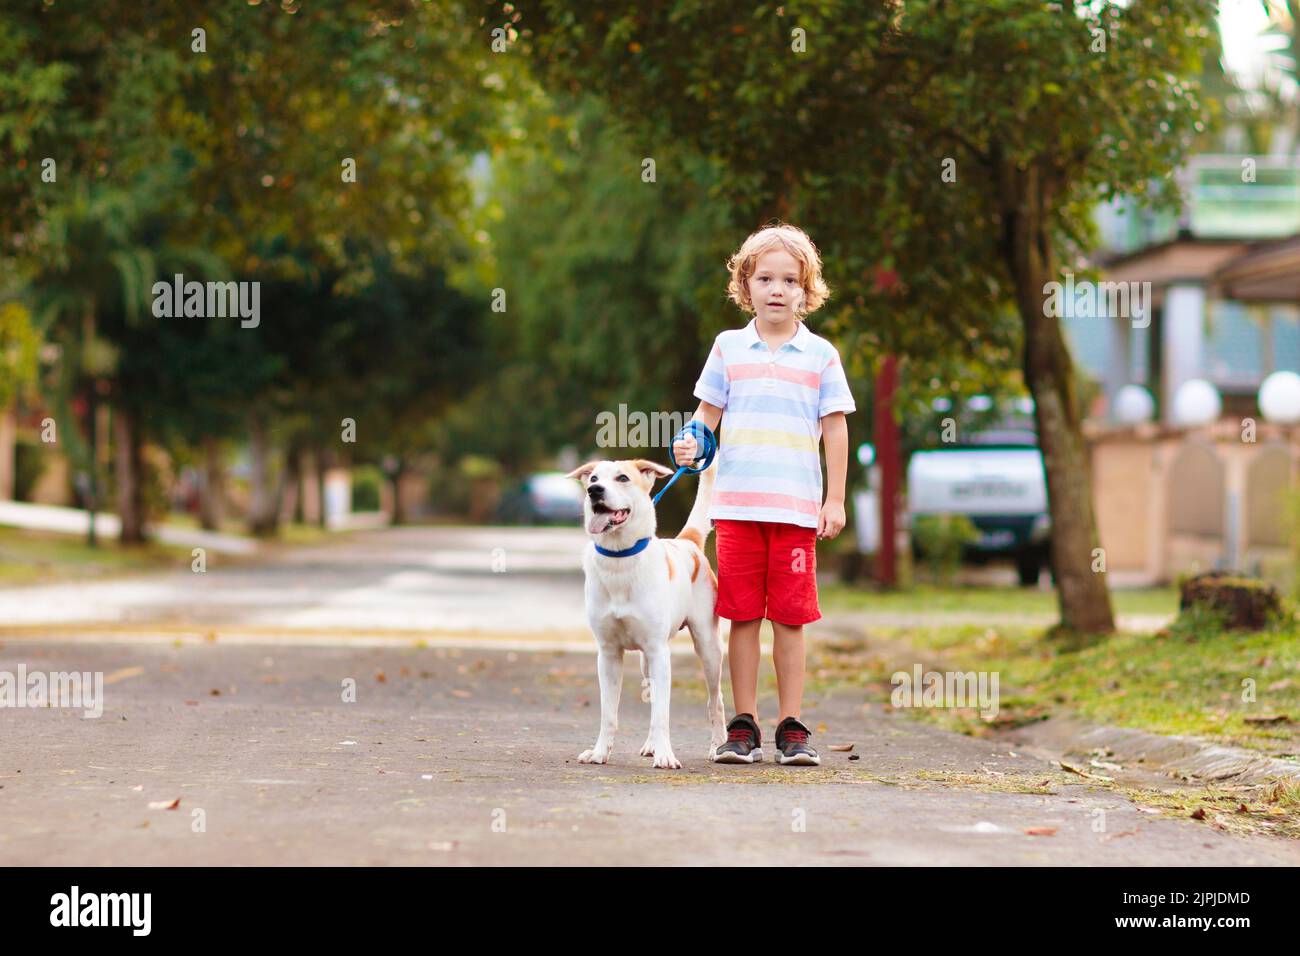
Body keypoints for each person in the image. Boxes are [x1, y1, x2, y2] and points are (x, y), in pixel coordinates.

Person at [675, 222, 855, 766]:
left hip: (796, 511)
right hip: (736, 508)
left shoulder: (820, 355)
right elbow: (706, 417)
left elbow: (835, 428)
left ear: (807, 290)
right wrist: (690, 443)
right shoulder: (729, 347)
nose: (777, 289)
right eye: (765, 278)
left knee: (791, 619)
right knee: (743, 616)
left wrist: (836, 500)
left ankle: (792, 726)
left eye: (790, 280)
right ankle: (744, 725)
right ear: (745, 285)